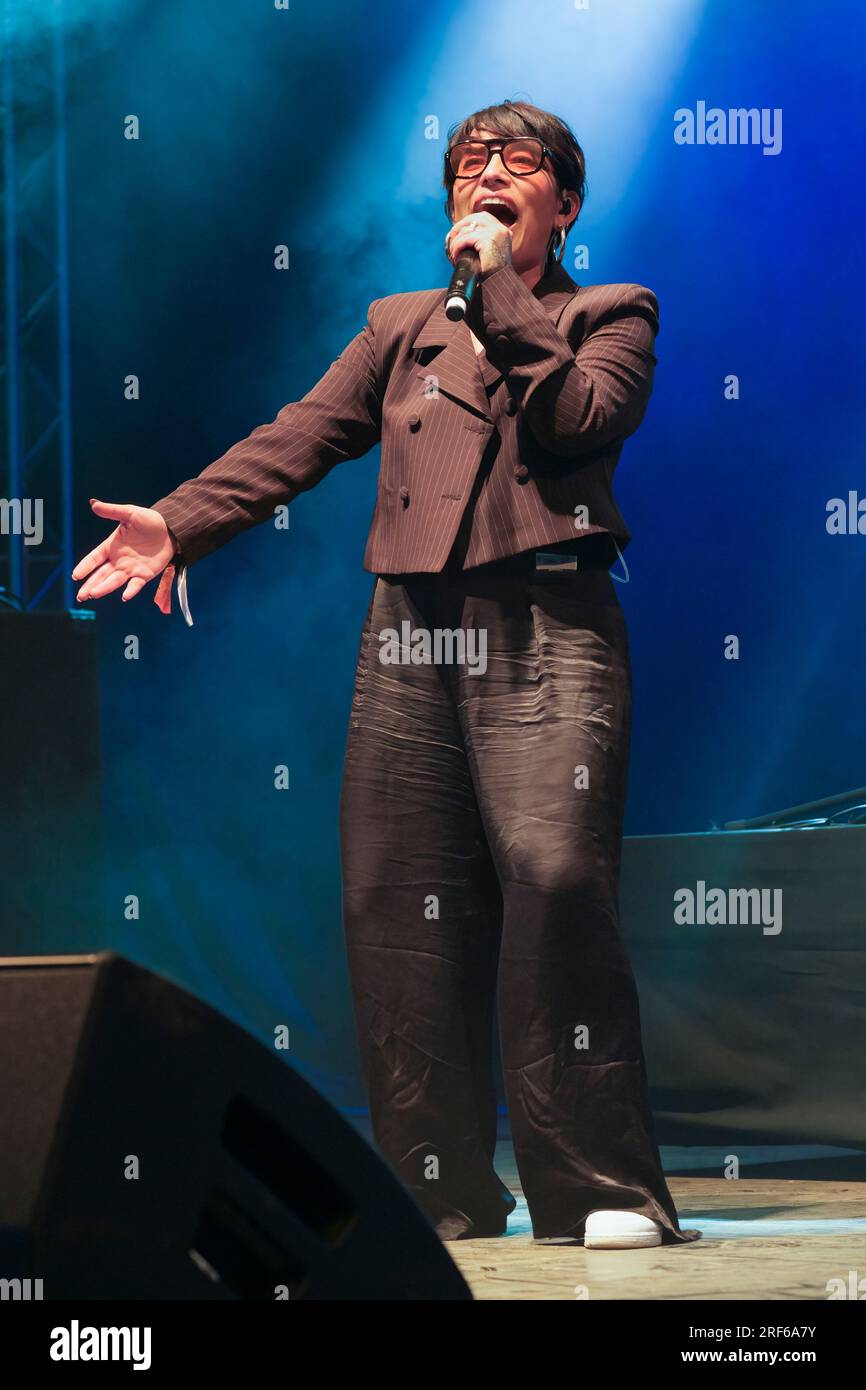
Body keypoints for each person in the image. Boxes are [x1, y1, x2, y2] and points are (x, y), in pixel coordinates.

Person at [72, 99, 701, 1250]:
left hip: (544, 623)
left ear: (561, 204)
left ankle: (598, 1183)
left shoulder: (609, 312)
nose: (488, 175)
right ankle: (438, 1186)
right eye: (469, 164)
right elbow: (299, 434)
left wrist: (499, 289)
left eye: (517, 164)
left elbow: (571, 422)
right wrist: (180, 521)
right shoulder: (395, 326)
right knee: (398, 904)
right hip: (409, 631)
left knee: (553, 875)